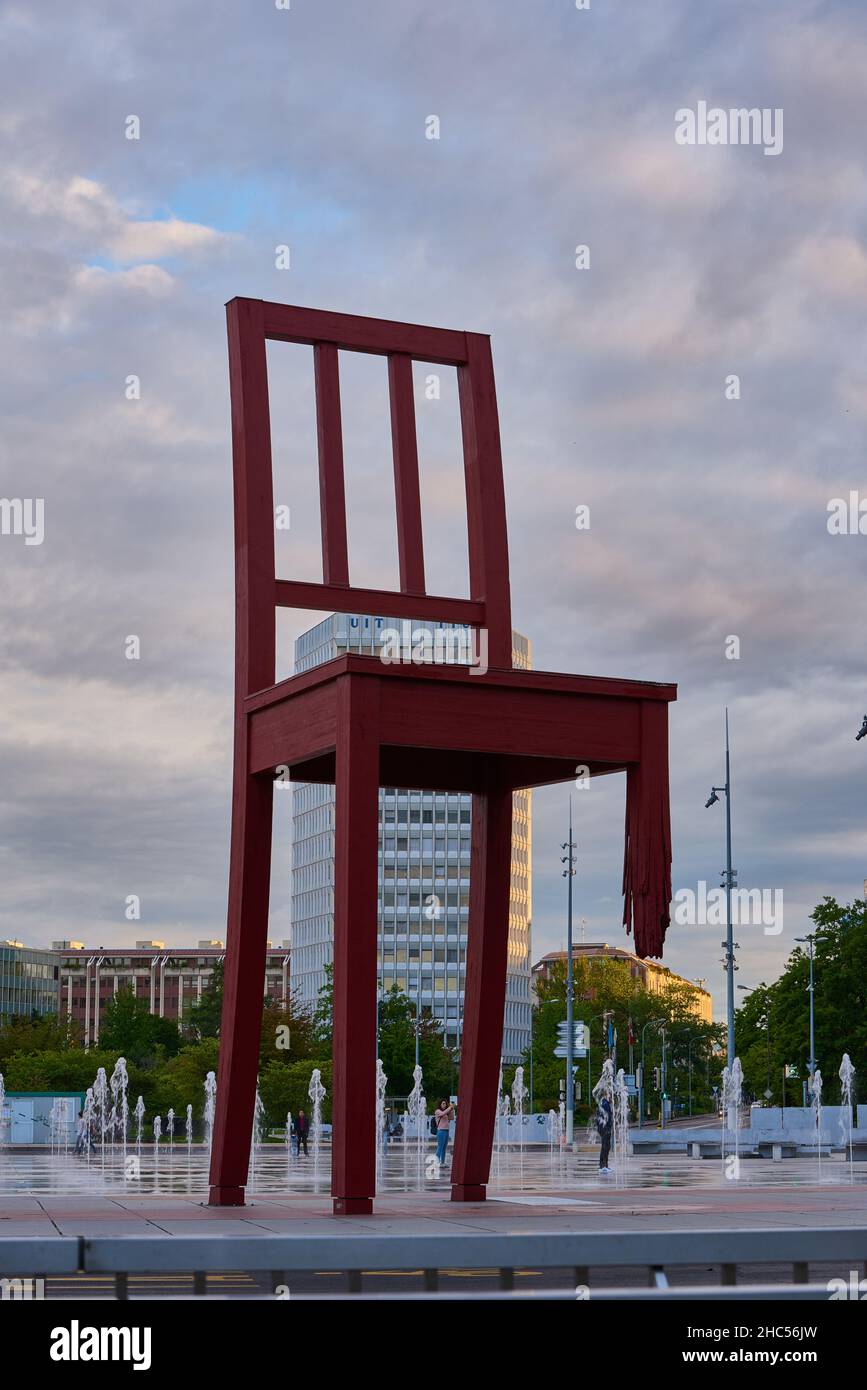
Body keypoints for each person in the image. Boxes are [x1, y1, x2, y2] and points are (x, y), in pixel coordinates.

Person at [434, 1099, 455, 1166]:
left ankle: (442, 1162)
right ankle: (436, 1162)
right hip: (441, 1131)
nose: (444, 1105)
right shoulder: (438, 1111)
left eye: (445, 1104)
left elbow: (451, 1118)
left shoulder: (446, 1112)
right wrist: (449, 1107)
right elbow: (442, 1114)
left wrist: (452, 1109)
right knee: (440, 1147)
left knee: (444, 1147)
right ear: (440, 1104)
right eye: (443, 1103)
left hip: (446, 1131)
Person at [596, 1095, 613, 1173]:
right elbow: (605, 1117)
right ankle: (603, 1165)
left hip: (604, 1128)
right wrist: (606, 1127)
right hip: (604, 1128)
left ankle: (604, 1165)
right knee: (605, 1146)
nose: (612, 1099)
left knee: (606, 1146)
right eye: (611, 1097)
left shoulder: (604, 1103)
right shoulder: (604, 1104)